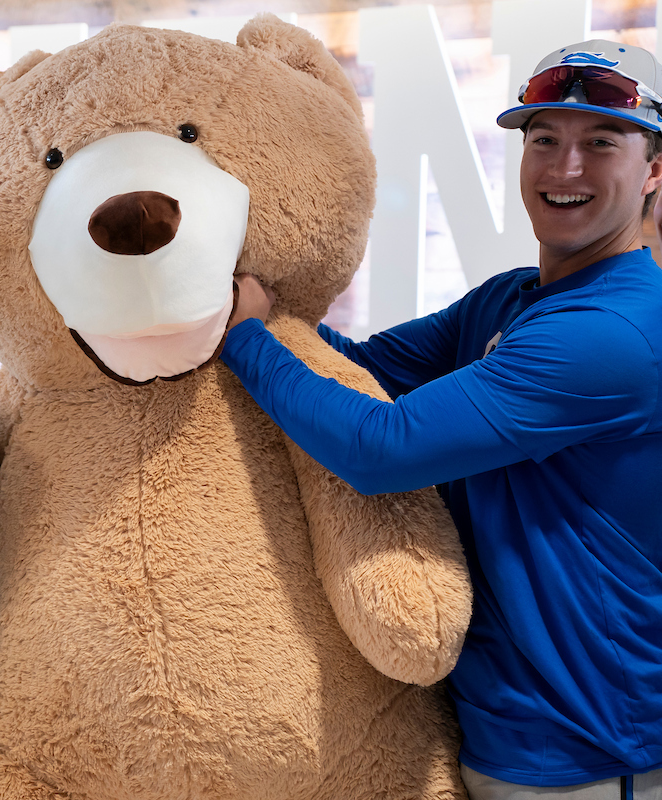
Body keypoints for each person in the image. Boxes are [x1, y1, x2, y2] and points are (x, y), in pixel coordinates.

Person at [221, 40, 662, 799]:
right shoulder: (510, 298)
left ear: (653, 169)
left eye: (601, 143)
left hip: (589, 752)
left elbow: (379, 449)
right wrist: (257, 310)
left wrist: (244, 339)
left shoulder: (613, 333)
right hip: (495, 726)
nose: (564, 169)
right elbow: (359, 365)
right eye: (544, 140)